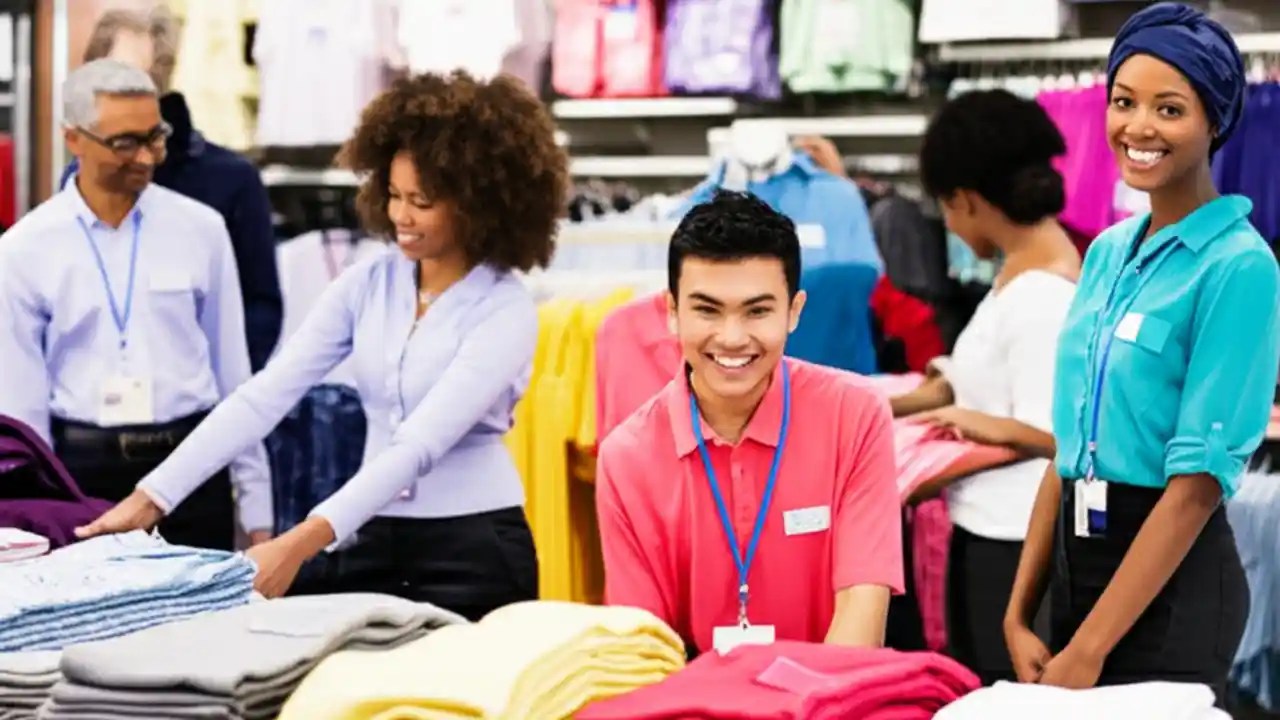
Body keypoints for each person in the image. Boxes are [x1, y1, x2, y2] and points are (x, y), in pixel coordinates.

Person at [77, 70, 567, 621]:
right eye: (393, 194)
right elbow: (264, 395)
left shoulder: (504, 309)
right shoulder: (367, 283)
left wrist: (298, 543)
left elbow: (417, 446)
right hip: (368, 536)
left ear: (479, 203)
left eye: (421, 201)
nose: (400, 216)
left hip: (474, 551)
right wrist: (151, 499)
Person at [1003, 2, 1280, 701]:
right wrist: (1017, 611)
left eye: (1169, 108)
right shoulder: (1105, 253)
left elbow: (1196, 487)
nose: (1139, 127)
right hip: (1075, 567)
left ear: (1214, 120)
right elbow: (1068, 448)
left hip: (1172, 591)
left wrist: (1091, 648)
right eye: (1124, 102)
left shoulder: (1240, 267)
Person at [595, 189, 904, 657]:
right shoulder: (627, 457)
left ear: (794, 311)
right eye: (707, 310)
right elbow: (645, 652)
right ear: (673, 313)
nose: (733, 338)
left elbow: (860, 624)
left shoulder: (855, 416)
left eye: (757, 311)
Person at [0, 59, 272, 550]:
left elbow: (235, 376)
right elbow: (21, 407)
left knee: (205, 623)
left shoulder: (202, 229)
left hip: (191, 470)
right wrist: (30, 515)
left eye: (156, 137)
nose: (146, 157)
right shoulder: (25, 248)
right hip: (81, 477)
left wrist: (257, 507)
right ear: (74, 138)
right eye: (125, 142)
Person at [888, 89, 1080, 685]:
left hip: (1020, 546)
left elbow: (1058, 437)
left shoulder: (1041, 295)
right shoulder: (1018, 273)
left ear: (966, 201)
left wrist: (916, 471)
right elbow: (971, 379)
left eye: (944, 208)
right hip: (994, 534)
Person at [65, 7, 283, 372]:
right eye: (104, 78)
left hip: (191, 407)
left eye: (133, 79)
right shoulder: (74, 180)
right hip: (90, 405)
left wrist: (222, 399)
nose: (118, 94)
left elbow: (259, 308)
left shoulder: (229, 180)